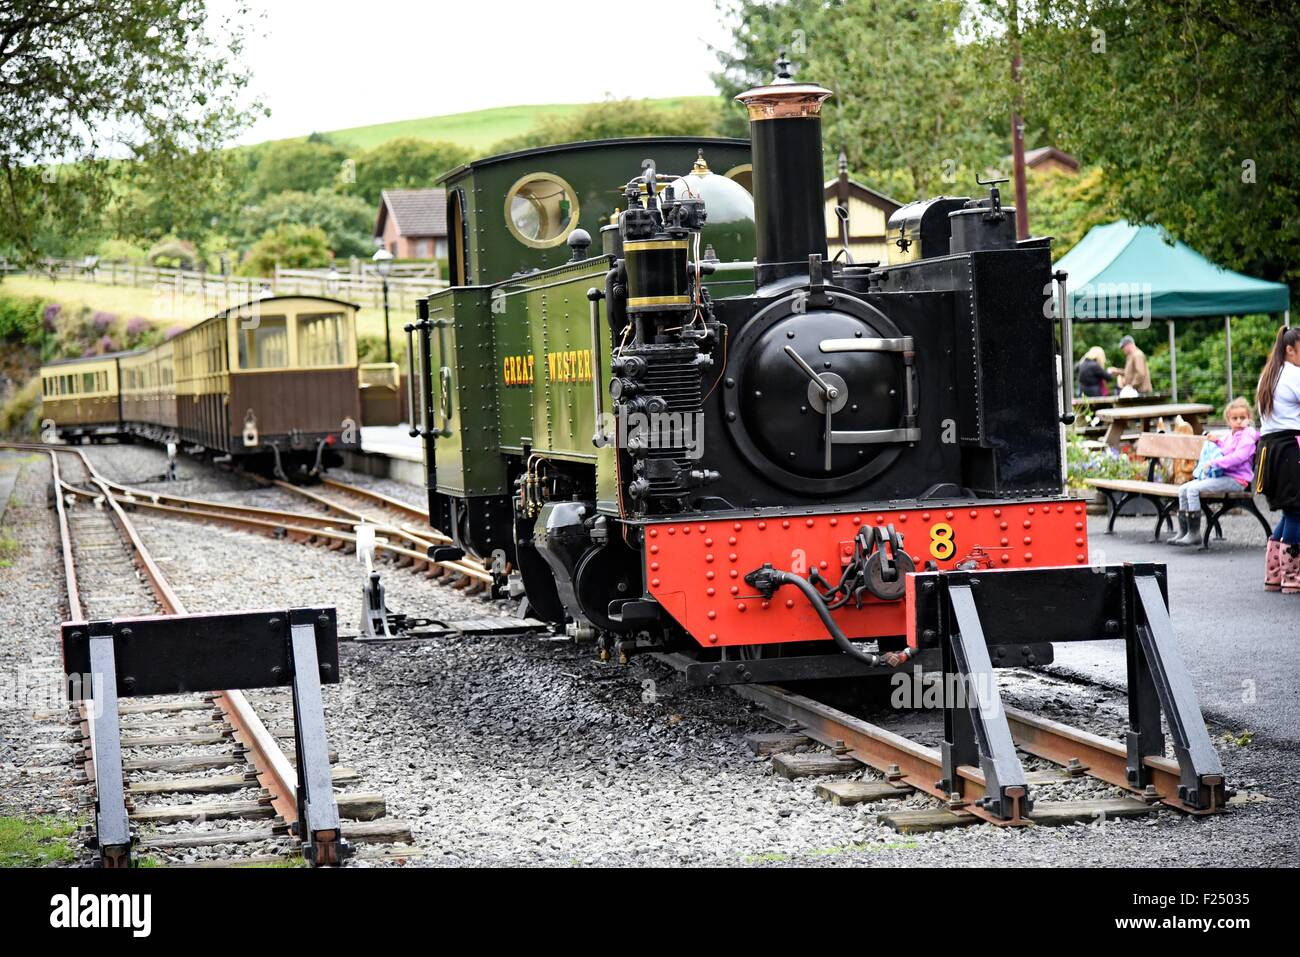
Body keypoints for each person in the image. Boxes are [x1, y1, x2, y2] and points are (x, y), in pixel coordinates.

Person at [1167, 398, 1257, 545]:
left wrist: (1215, 463)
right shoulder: (1231, 435)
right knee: (1183, 489)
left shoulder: (1247, 437)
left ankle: (1194, 534)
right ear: (1228, 419)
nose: (1239, 421)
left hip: (1237, 480)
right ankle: (1184, 531)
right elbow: (1227, 451)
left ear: (1249, 418)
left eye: (1243, 418)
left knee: (1193, 490)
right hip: (1224, 476)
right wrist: (1218, 442)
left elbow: (1238, 457)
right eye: (1235, 418)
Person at [1256, 325, 1300, 593]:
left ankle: (1274, 574)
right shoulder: (1294, 373)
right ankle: (1292, 577)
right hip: (1288, 449)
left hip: (1269, 450)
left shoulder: (1269, 374)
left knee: (1290, 511)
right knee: (1297, 511)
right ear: (1290, 349)